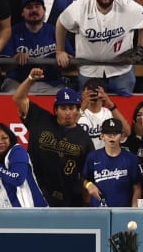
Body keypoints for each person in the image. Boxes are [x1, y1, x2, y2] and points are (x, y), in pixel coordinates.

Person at [54, 0, 143, 96]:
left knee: (123, 110)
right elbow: (61, 22)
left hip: (121, 71)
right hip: (89, 71)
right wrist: (60, 50)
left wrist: (141, 45)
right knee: (89, 111)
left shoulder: (128, 6)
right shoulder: (80, 7)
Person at [12, 71, 93, 207]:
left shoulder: (84, 138)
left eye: (71, 107)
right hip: (35, 192)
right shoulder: (41, 119)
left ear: (78, 110)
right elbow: (18, 98)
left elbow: (87, 173)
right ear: (55, 110)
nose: (67, 112)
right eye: (63, 108)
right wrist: (30, 79)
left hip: (67, 198)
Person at [81, 118, 142, 208]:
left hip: (123, 212)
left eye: (115, 133)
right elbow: (84, 179)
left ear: (121, 136)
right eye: (108, 133)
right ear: (102, 136)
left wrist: (133, 210)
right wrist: (89, 185)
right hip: (98, 211)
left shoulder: (131, 159)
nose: (112, 136)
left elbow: (137, 187)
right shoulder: (93, 157)